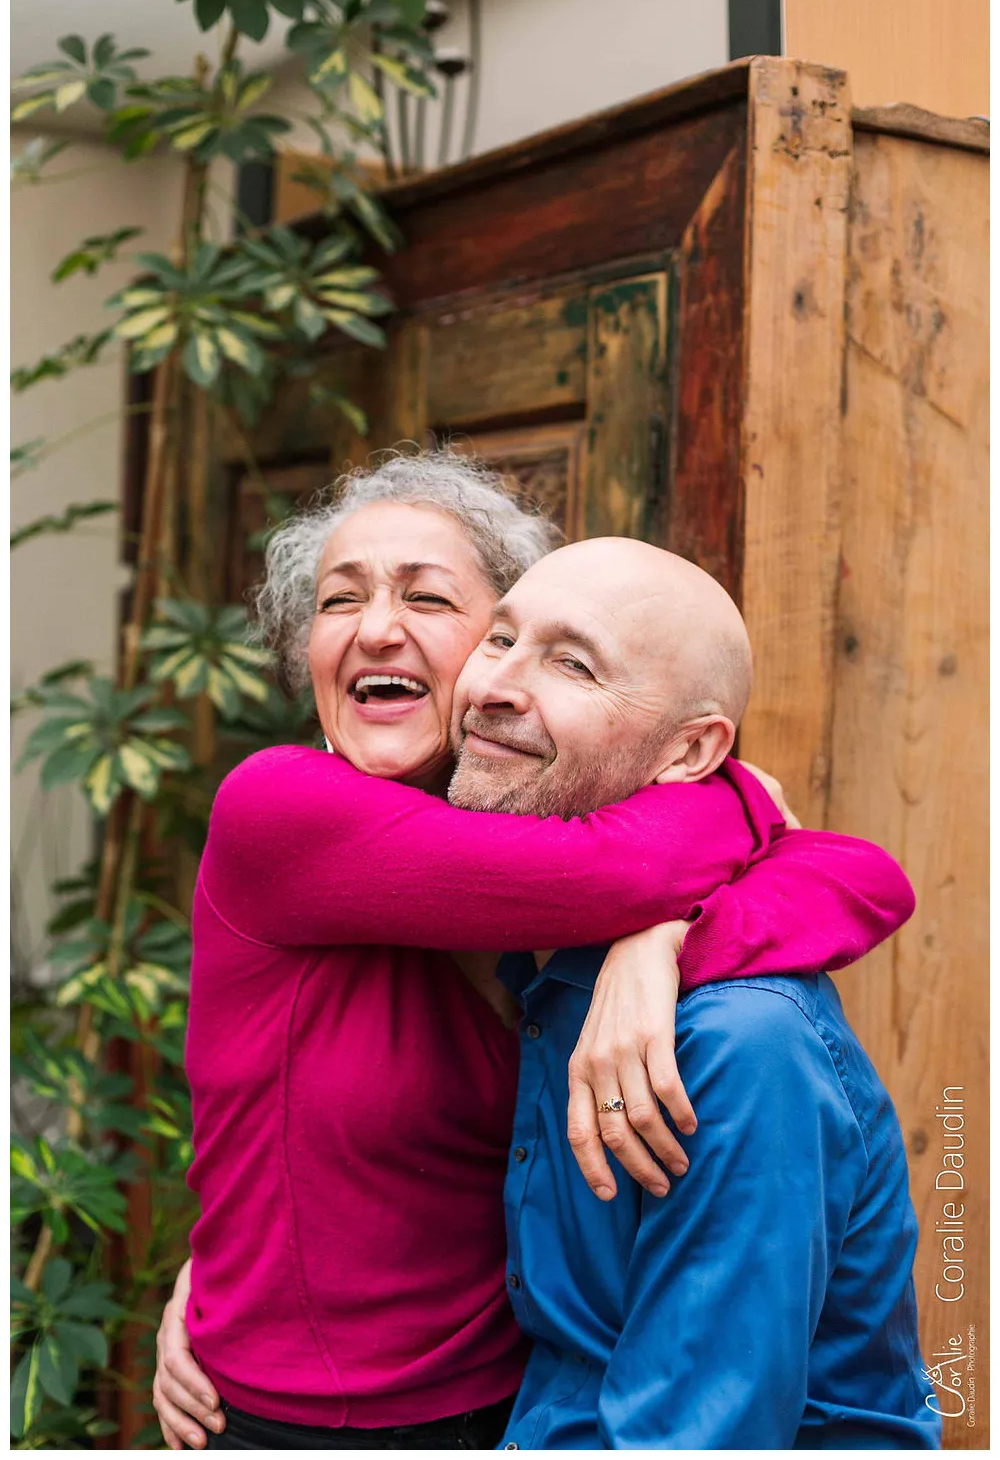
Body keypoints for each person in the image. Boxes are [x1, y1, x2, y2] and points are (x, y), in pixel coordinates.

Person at [153, 453, 915, 1450]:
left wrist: (664, 942)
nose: (376, 626)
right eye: (338, 601)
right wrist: (713, 826)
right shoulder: (283, 807)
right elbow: (649, 859)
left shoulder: (537, 861)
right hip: (303, 1418)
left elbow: (863, 877)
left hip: (508, 1407)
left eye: (430, 598)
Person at [442, 535, 939, 1449]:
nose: (495, 687)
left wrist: (672, 934)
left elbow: (697, 1435)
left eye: (573, 665)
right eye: (501, 639)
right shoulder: (536, 960)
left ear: (691, 751)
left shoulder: (736, 1045)